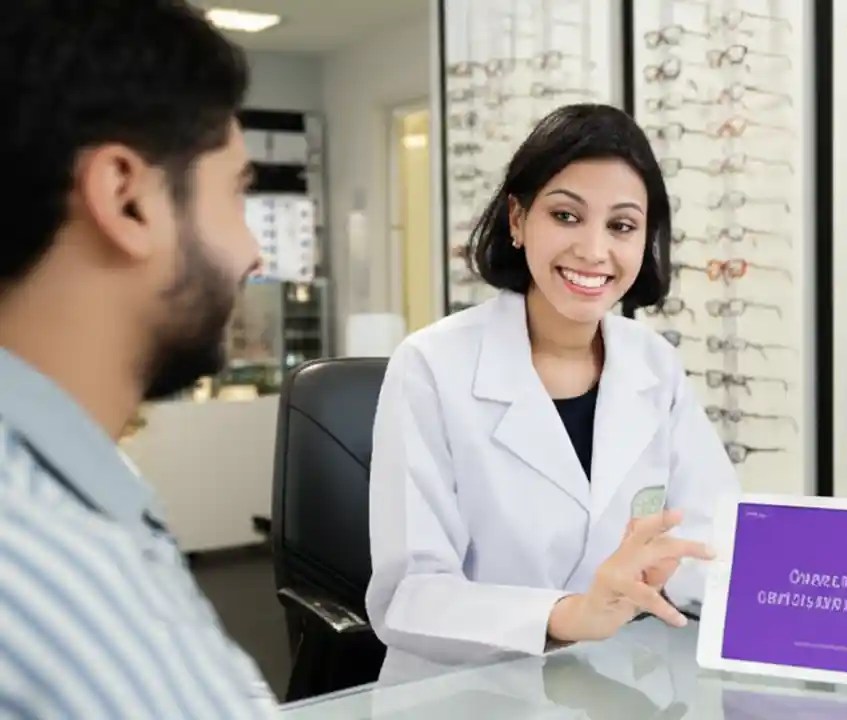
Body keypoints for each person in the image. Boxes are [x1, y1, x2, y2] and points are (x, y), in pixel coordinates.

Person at [367, 103, 741, 681]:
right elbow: (410, 595)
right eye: (567, 216)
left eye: (621, 226)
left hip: (617, 683)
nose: (594, 251)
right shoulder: (431, 366)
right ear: (517, 220)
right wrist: (570, 614)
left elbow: (712, 541)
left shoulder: (654, 365)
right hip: (464, 692)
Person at [0, 1, 276, 716]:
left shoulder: (68, 494)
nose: (253, 251)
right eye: (237, 193)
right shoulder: (59, 581)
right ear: (126, 197)